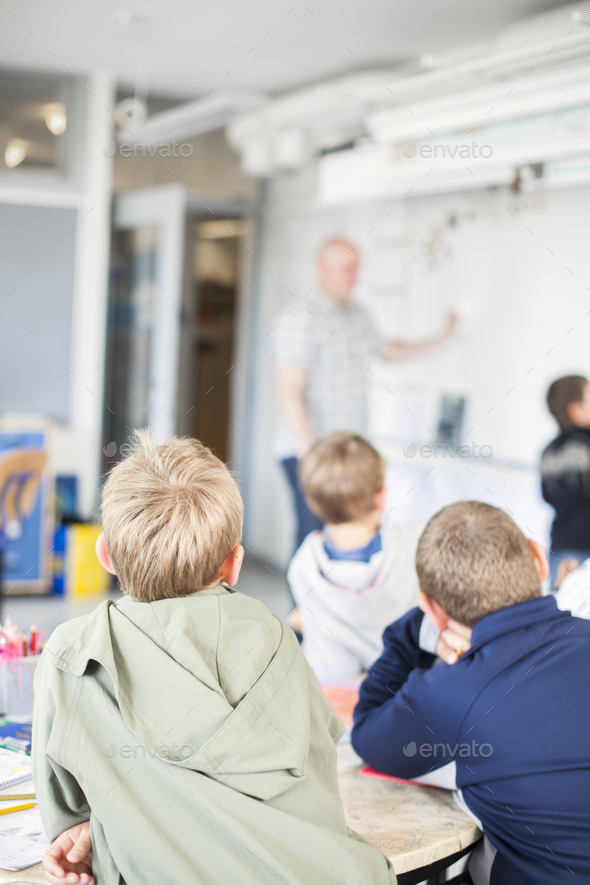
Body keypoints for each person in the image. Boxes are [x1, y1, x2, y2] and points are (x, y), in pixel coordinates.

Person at [33, 431, 396, 885]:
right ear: (234, 562)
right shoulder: (276, 636)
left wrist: (88, 829)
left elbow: (68, 809)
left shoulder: (72, 655)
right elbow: (318, 777)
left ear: (104, 554)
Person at [351, 501, 590, 885]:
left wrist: (410, 633)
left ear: (433, 608)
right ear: (539, 560)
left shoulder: (452, 691)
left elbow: (368, 736)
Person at [275, 237, 457, 552]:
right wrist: (311, 457)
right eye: (346, 268)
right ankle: (303, 603)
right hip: (311, 452)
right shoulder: (301, 318)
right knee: (312, 536)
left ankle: (336, 600)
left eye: (357, 268)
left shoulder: (357, 314)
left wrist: (445, 336)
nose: (354, 277)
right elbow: (290, 393)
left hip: (345, 451)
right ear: (323, 267)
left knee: (345, 535)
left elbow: (388, 350)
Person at [287, 431, 422, 677]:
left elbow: (309, 617)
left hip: (326, 688)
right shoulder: (411, 548)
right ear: (380, 497)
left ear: (311, 501)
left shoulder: (303, 564)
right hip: (393, 686)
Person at [541, 374, 590, 587]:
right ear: (575, 410)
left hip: (560, 545)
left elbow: (547, 496)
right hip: (586, 548)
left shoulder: (549, 451)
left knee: (565, 612)